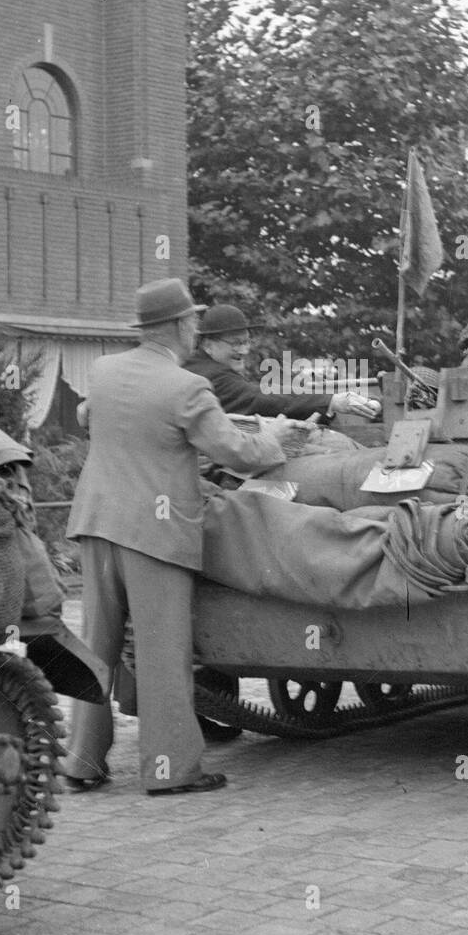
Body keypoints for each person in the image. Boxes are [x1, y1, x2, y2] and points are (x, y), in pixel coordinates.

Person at [58, 278, 302, 796]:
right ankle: (169, 770)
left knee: (94, 647)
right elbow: (237, 453)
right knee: (162, 651)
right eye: (193, 321)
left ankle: (81, 761)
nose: (196, 328)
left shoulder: (102, 371)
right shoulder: (186, 387)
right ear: (179, 326)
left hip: (96, 523)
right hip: (155, 532)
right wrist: (273, 437)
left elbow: (87, 416)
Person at [184, 303, 379, 422]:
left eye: (246, 342)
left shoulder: (200, 366)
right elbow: (259, 397)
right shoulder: (212, 376)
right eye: (235, 343)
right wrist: (330, 401)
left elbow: (261, 392)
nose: (244, 350)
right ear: (208, 345)